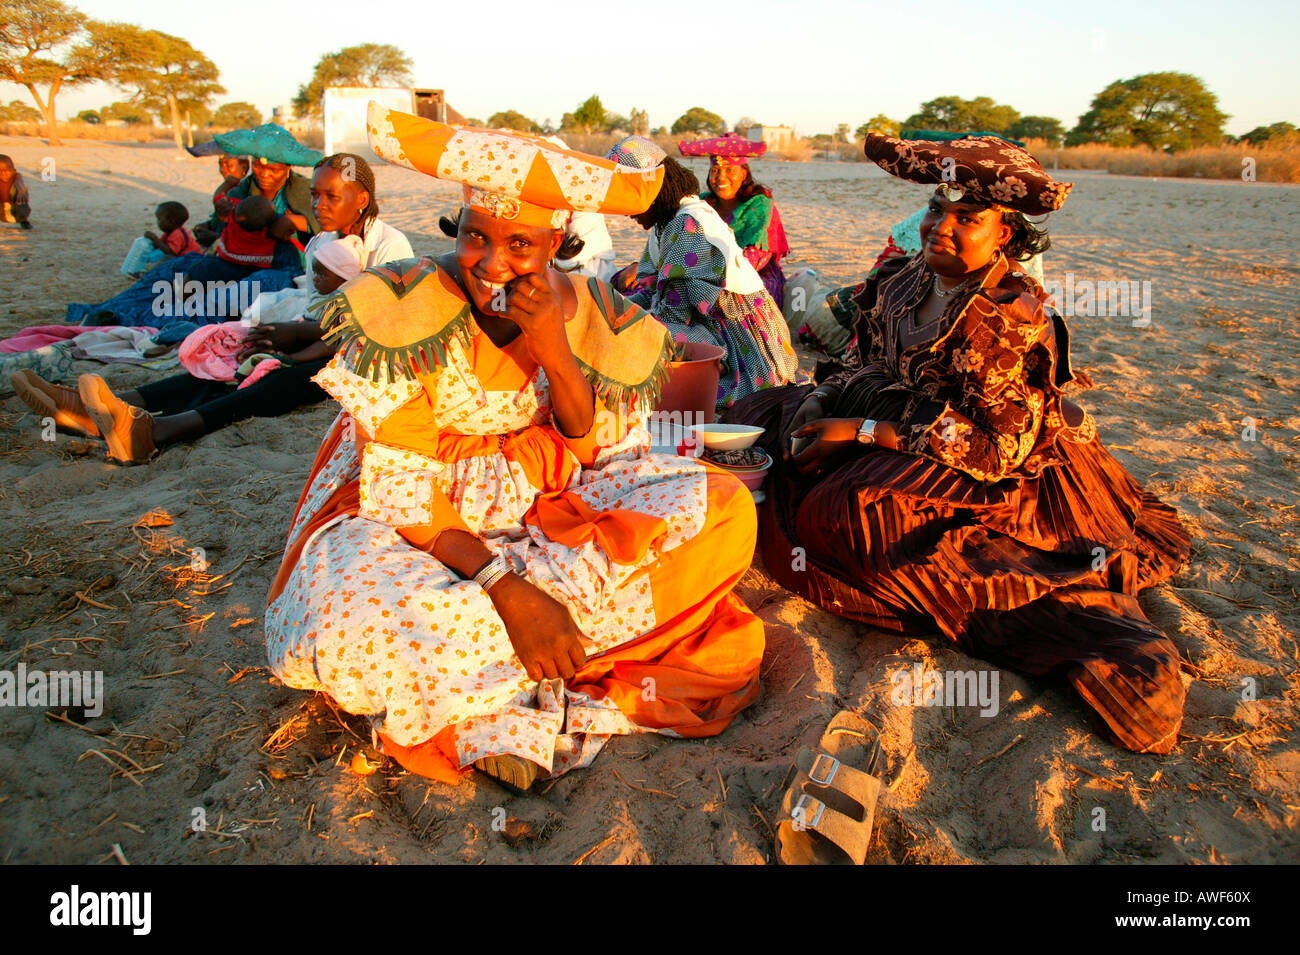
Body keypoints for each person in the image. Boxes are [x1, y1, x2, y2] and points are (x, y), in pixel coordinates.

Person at [264, 105, 764, 790]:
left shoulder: (593, 308)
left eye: (519, 246)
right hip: (415, 518)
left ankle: (513, 659)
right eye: (475, 237)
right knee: (351, 618)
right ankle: (515, 673)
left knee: (724, 509)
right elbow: (403, 489)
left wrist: (556, 350)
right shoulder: (405, 305)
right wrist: (509, 591)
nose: (492, 263)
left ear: (555, 242)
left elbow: (591, 446)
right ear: (458, 228)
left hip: (543, 496)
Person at [725, 133, 1191, 755]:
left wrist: (862, 434)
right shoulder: (900, 279)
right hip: (884, 415)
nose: (941, 226)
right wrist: (821, 400)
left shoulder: (1006, 316)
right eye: (937, 210)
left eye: (967, 218)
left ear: (1004, 234)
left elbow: (1000, 451)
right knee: (758, 410)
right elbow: (859, 359)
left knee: (855, 513)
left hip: (993, 467)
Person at [14, 153, 411, 462]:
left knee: (282, 377)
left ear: (361, 199)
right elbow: (318, 311)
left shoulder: (390, 248)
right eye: (314, 195)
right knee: (231, 352)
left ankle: (160, 431)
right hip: (320, 335)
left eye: (331, 197)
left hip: (366, 357)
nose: (318, 205)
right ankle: (112, 407)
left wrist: (295, 338)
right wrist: (277, 334)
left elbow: (377, 328)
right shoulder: (322, 242)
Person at [607, 136, 801, 411]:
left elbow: (673, 315)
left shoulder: (688, 224)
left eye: (627, 198)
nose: (626, 212)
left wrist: (620, 322)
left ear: (651, 190)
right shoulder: (668, 222)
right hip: (709, 323)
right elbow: (653, 291)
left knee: (638, 337)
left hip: (741, 344)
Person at [65, 124, 323, 328]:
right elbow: (224, 231)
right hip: (233, 262)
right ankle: (109, 311)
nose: (264, 174)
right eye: (258, 166)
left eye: (274, 170)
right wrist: (217, 223)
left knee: (235, 294)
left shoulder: (303, 192)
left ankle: (155, 322)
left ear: (287, 169)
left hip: (283, 270)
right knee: (173, 271)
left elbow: (327, 223)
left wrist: (297, 221)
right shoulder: (242, 189)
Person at [681, 133, 790, 306]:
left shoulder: (759, 205)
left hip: (751, 277)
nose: (721, 178)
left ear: (744, 173)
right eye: (715, 171)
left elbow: (754, 259)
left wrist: (709, 278)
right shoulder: (702, 203)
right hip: (703, 274)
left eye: (729, 170)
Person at [119, 201, 202, 278]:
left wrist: (154, 239)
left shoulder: (177, 234)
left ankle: (150, 274)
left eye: (159, 219)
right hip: (183, 258)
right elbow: (161, 245)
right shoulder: (169, 232)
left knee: (168, 258)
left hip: (192, 261)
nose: (158, 223)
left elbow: (171, 252)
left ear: (171, 221)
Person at [194, 154, 251, 247]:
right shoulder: (229, 189)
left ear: (244, 167)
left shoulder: (245, 192)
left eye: (229, 165)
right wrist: (208, 225)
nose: (222, 169)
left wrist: (216, 237)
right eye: (220, 165)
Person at [0, 155, 32, 230]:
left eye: (7, 171)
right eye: (0, 171)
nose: (3, 174)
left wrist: (20, 189)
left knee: (21, 198)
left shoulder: (16, 177)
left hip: (15, 203)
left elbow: (19, 183)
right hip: (1, 206)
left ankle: (23, 221)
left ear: (13, 170)